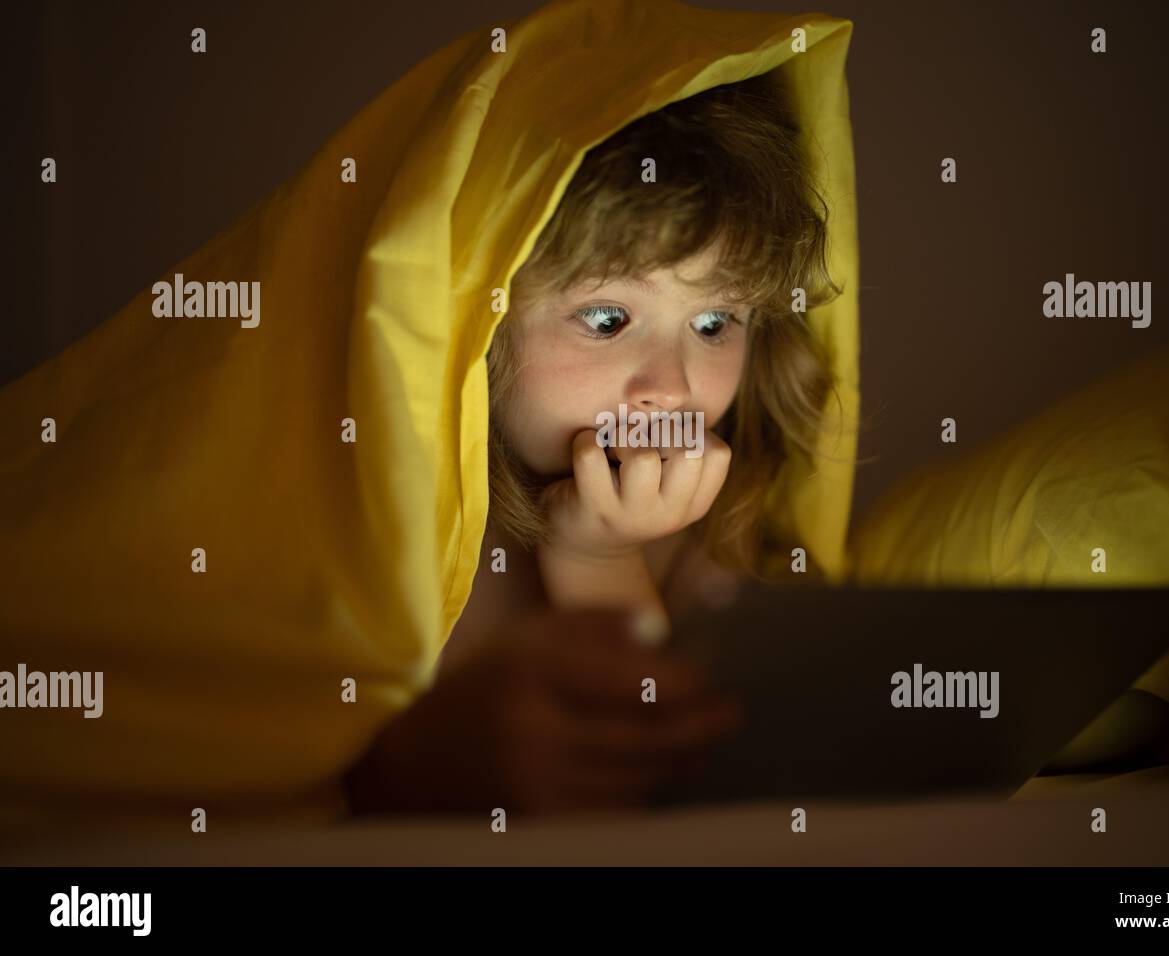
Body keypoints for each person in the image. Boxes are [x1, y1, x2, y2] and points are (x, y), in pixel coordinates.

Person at [343, 71, 847, 816]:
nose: (671, 387)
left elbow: (674, 787)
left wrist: (600, 558)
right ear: (472, 327)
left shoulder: (705, 542)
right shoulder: (377, 533)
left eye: (714, 325)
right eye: (607, 318)